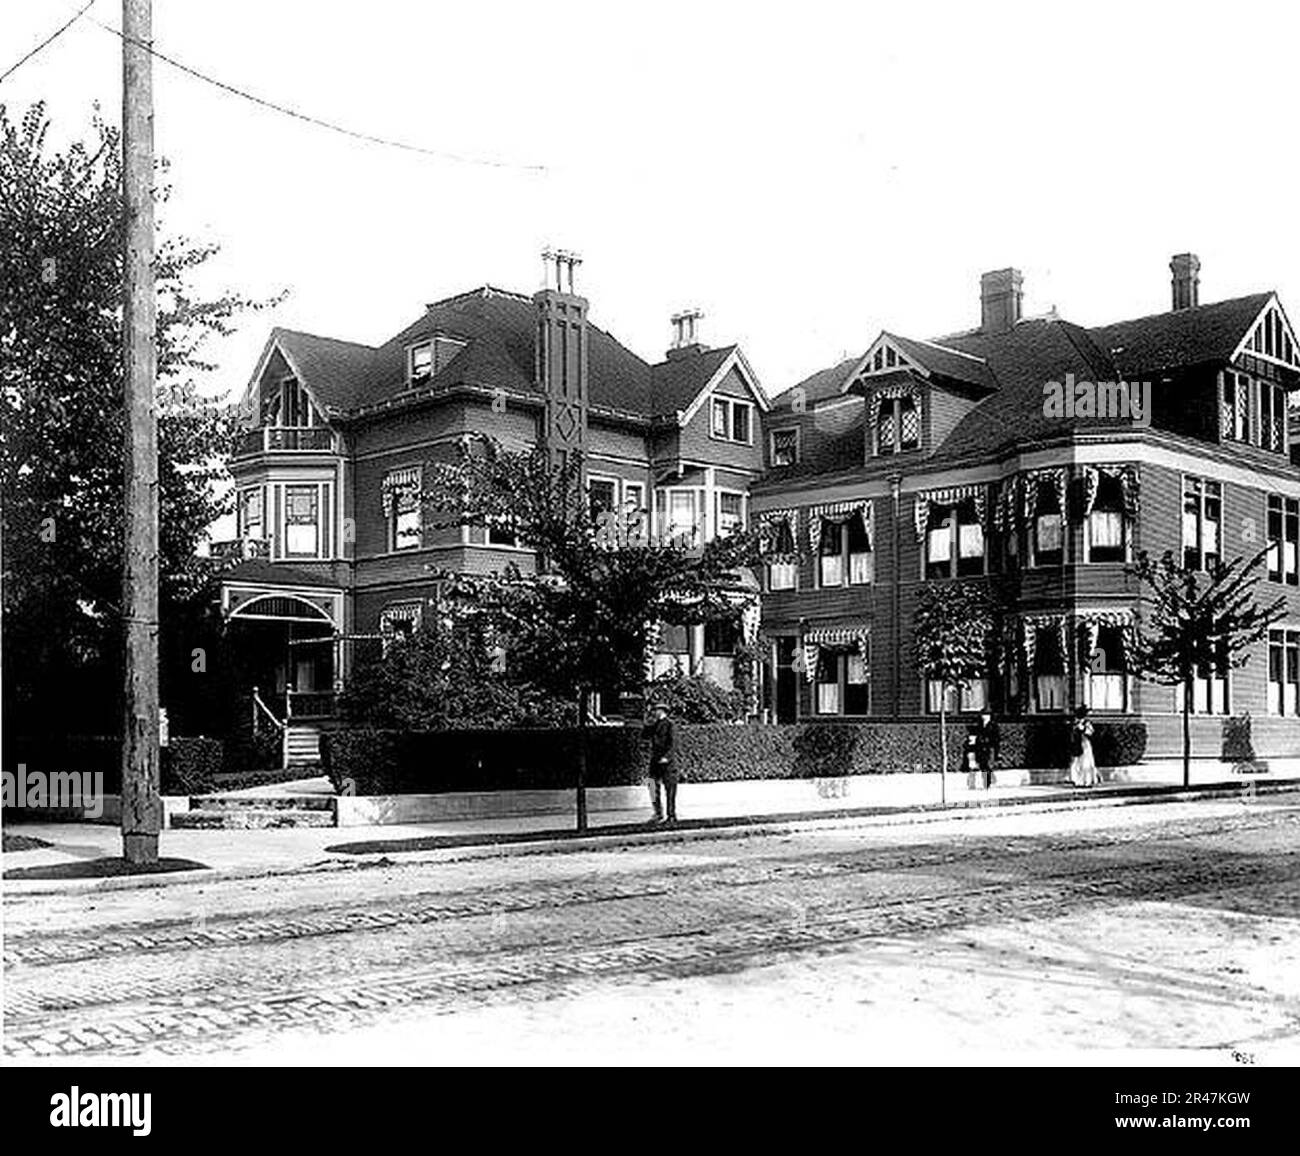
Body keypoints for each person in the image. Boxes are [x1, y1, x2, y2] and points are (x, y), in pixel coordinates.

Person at [641, 705, 678, 823]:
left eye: (655, 710)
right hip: (655, 761)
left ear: (661, 711)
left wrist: (667, 757)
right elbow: (645, 736)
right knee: (652, 785)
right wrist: (647, 723)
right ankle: (657, 813)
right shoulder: (654, 724)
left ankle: (671, 815)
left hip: (667, 763)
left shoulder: (670, 725)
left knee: (670, 789)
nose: (654, 712)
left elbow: (673, 743)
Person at [1068, 704, 1098, 787]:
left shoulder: (1086, 723)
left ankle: (1087, 781)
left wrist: (1083, 729)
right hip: (1077, 744)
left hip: (1085, 743)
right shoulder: (1075, 723)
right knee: (1077, 762)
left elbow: (1090, 733)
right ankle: (1077, 780)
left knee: (1086, 762)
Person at [974, 708, 1000, 790]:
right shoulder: (980, 725)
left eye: (986, 715)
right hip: (981, 748)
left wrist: (995, 748)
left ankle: (988, 782)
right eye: (983, 715)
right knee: (982, 765)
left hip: (990, 747)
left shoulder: (993, 726)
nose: (984, 717)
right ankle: (986, 781)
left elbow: (996, 738)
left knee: (988, 765)